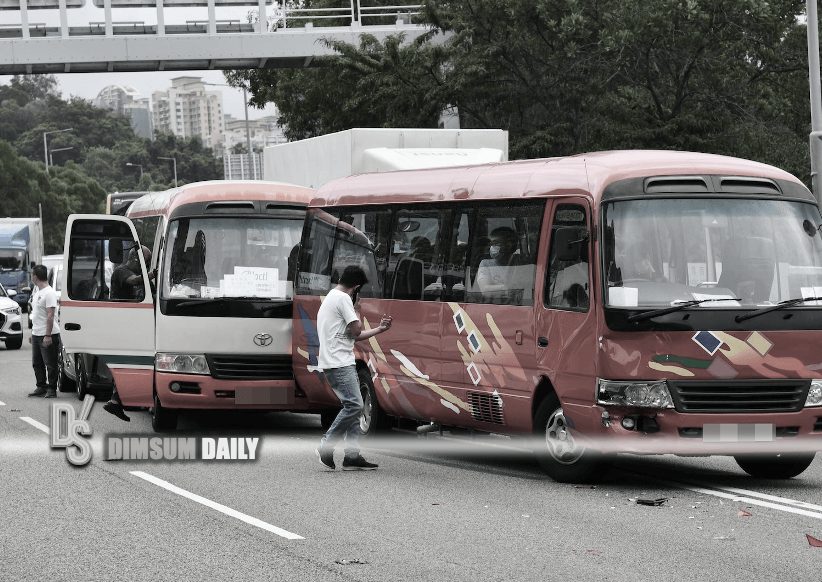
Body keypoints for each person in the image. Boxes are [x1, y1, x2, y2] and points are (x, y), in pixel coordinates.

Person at [315, 265, 392, 471]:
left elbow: (352, 336)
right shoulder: (343, 299)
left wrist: (379, 329)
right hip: (339, 363)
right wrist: (356, 307)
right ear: (356, 287)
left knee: (352, 405)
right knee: (355, 405)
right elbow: (356, 329)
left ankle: (352, 456)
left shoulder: (331, 297)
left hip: (336, 362)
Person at [104, 244, 153, 421]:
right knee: (127, 363)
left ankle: (117, 400)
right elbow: (134, 281)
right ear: (134, 258)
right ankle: (116, 400)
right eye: (145, 262)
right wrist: (153, 274)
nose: (146, 266)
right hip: (121, 325)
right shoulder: (121, 272)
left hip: (133, 325)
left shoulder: (138, 275)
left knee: (131, 364)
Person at [27, 265, 61, 399]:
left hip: (48, 334)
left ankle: (52, 389)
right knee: (37, 363)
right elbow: (36, 314)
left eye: (32, 275)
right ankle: (41, 386)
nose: (31, 277)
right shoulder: (37, 292)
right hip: (37, 333)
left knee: (50, 364)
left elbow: (50, 315)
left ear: (35, 277)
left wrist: (48, 335)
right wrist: (33, 332)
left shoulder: (49, 293)